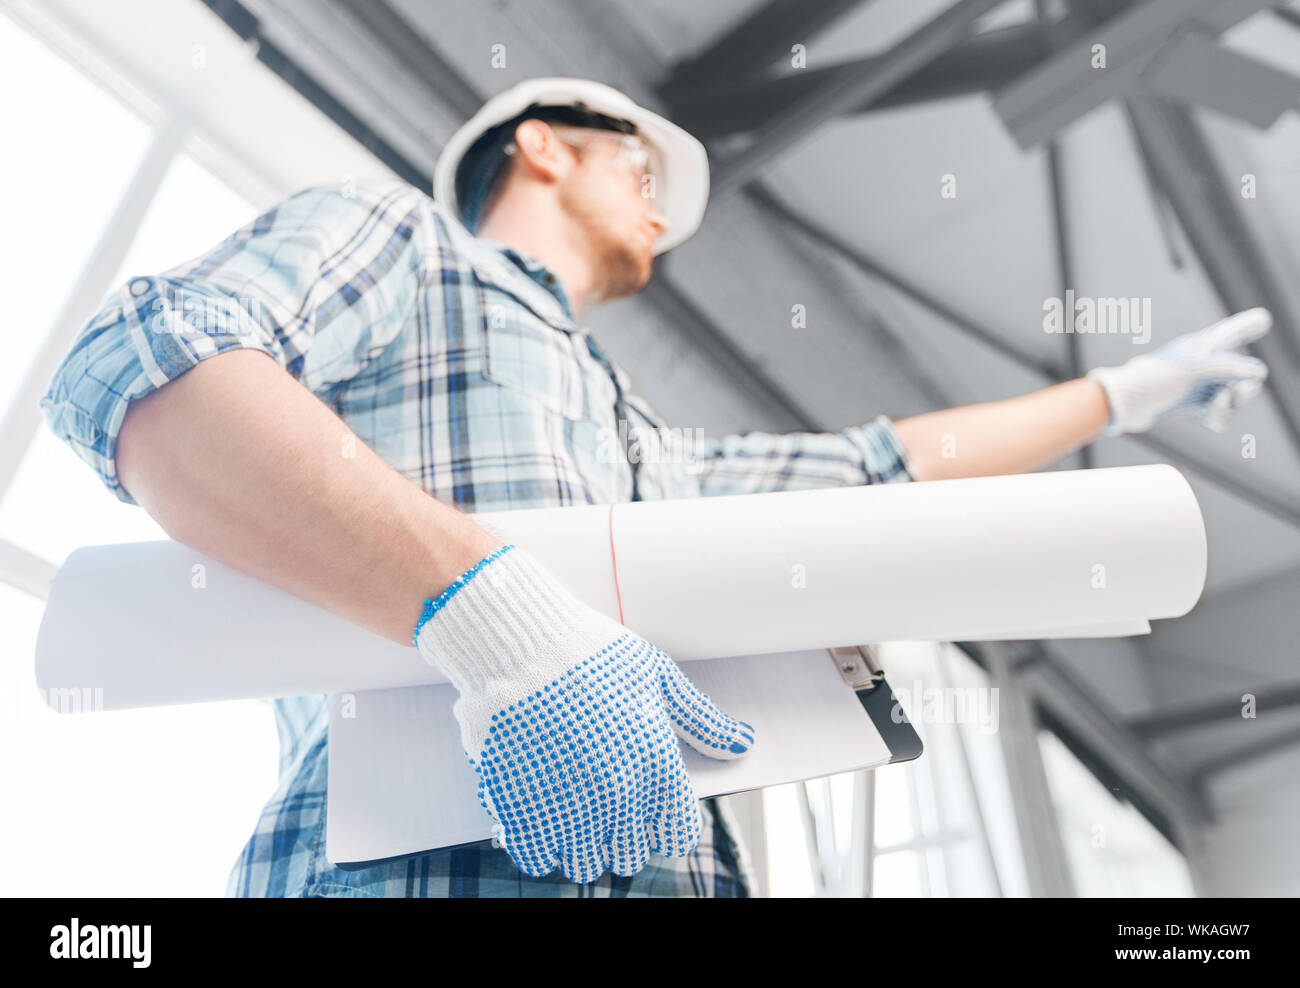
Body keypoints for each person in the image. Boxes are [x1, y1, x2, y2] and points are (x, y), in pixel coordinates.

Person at [41, 77, 1270, 898]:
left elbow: (883, 469)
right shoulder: (405, 245)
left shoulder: (649, 452)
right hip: (413, 869)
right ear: (540, 144)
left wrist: (1119, 394)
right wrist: (499, 625)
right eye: (635, 162)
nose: (659, 203)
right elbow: (148, 369)